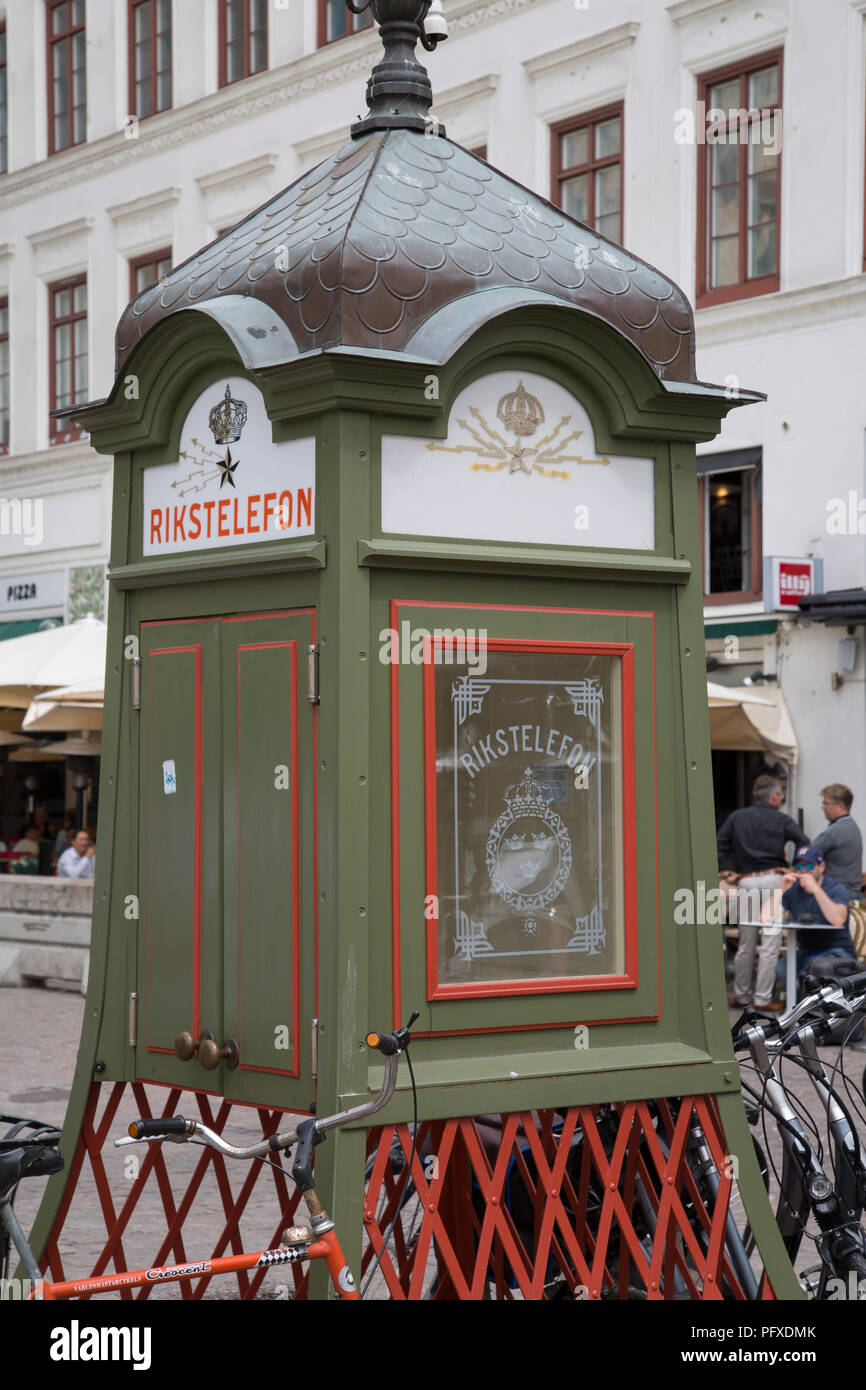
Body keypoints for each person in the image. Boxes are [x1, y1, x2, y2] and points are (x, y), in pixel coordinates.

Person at [717, 773, 809, 1011]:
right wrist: (795, 869)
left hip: (746, 882)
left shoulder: (737, 817)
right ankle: (762, 998)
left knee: (746, 943)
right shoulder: (782, 819)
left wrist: (727, 870)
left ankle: (741, 996)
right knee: (770, 941)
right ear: (775, 796)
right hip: (774, 882)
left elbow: (720, 842)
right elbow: (804, 842)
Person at [762, 845, 855, 998]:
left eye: (809, 865)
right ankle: (803, 1008)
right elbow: (765, 918)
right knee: (783, 968)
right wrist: (781, 889)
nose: (803, 870)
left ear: (821, 866)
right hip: (807, 950)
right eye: (799, 865)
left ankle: (809, 1010)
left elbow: (838, 920)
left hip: (837, 949)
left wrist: (816, 890)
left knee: (810, 967)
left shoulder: (835, 888)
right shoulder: (794, 890)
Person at [812, 784, 863, 904]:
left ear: (840, 806)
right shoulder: (852, 827)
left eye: (826, 803)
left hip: (836, 897)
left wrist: (790, 872)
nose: (822, 807)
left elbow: (807, 854)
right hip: (851, 896)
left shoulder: (835, 832)